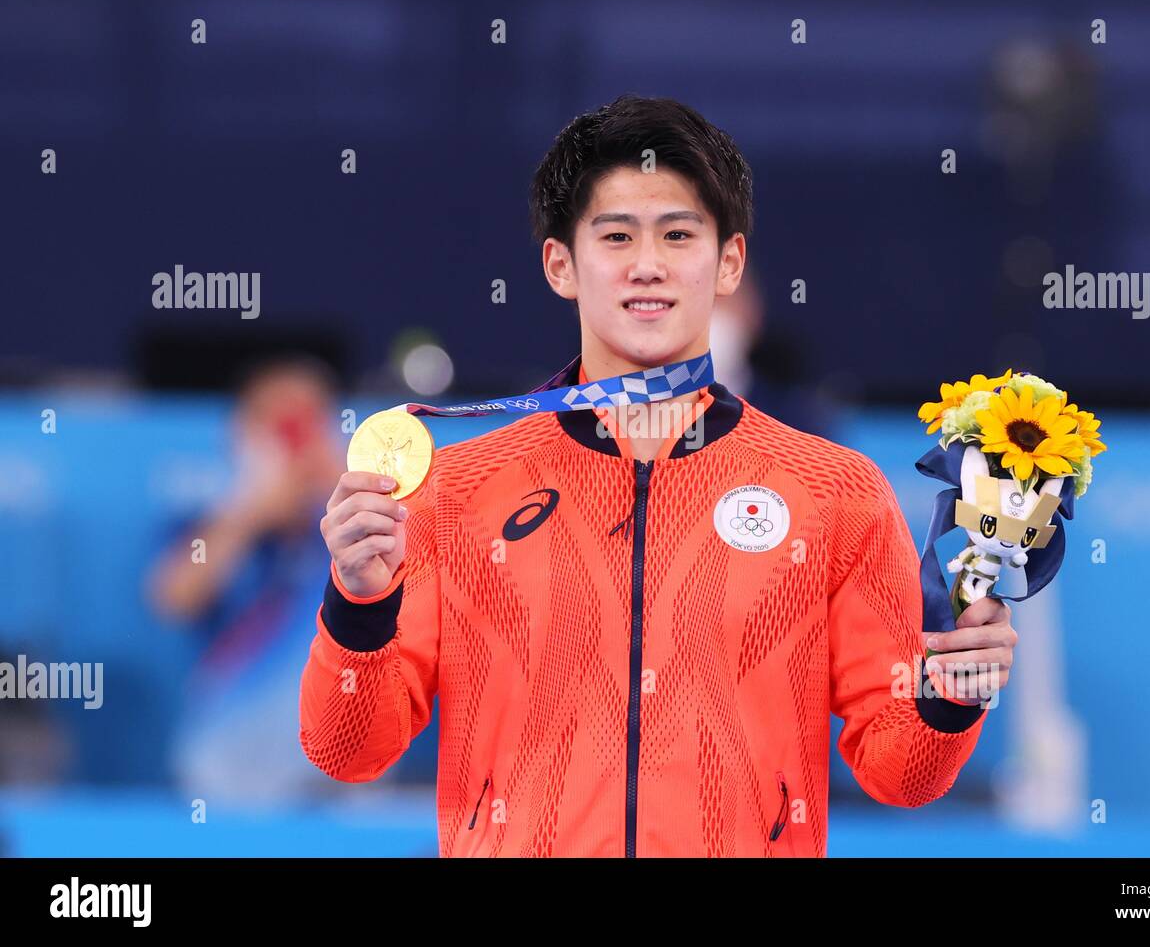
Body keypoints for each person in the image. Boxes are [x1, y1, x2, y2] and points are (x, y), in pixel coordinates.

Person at [301, 95, 1018, 856]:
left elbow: (902, 774)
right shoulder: (456, 492)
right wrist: (360, 606)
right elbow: (347, 753)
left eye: (679, 235)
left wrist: (951, 693)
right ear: (561, 265)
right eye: (616, 236)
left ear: (729, 262)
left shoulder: (836, 492)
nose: (648, 265)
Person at [149, 356, 353, 804]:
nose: (296, 448)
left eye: (308, 425)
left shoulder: (359, 527)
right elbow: (173, 597)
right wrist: (251, 511)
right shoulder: (208, 526)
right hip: (227, 768)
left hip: (345, 768)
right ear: (242, 435)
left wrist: (342, 489)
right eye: (280, 428)